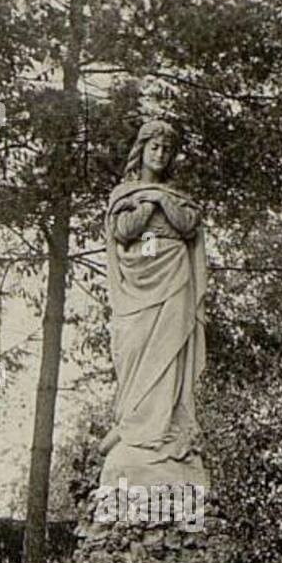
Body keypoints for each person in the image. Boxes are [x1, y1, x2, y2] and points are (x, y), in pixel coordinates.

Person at [97, 119, 209, 496]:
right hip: (138, 283)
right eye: (154, 147)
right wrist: (150, 200)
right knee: (134, 351)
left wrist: (160, 198)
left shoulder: (175, 198)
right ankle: (133, 427)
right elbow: (125, 231)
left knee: (169, 353)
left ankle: (164, 431)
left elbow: (189, 224)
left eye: (166, 149)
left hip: (175, 277)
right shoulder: (123, 194)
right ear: (141, 150)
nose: (160, 154)